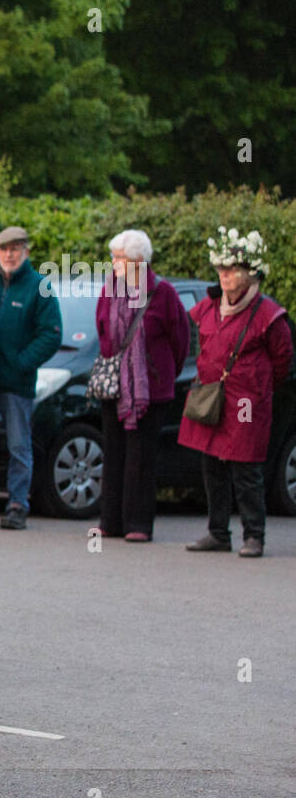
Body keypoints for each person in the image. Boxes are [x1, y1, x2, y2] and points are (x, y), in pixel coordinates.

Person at [181, 227, 292, 557]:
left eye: (231, 270)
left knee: (246, 468)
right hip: (211, 395)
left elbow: (283, 358)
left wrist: (257, 387)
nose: (225, 276)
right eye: (221, 269)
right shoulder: (209, 307)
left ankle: (253, 536)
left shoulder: (267, 314)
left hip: (247, 400)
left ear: (248, 274)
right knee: (212, 465)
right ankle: (218, 533)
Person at [94, 230, 190, 541]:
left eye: (118, 257)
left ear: (137, 261)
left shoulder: (164, 293)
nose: (113, 262)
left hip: (151, 390)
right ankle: (110, 521)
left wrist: (158, 375)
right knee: (114, 452)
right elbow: (102, 329)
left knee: (141, 457)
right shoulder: (110, 289)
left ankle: (138, 524)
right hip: (115, 386)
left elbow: (181, 340)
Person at [0, 226, 61, 529]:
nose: (9, 254)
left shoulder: (40, 286)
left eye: (15, 249)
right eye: (4, 249)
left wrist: (22, 363)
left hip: (17, 383)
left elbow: (51, 334)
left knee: (20, 446)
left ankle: (18, 504)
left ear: (26, 252)